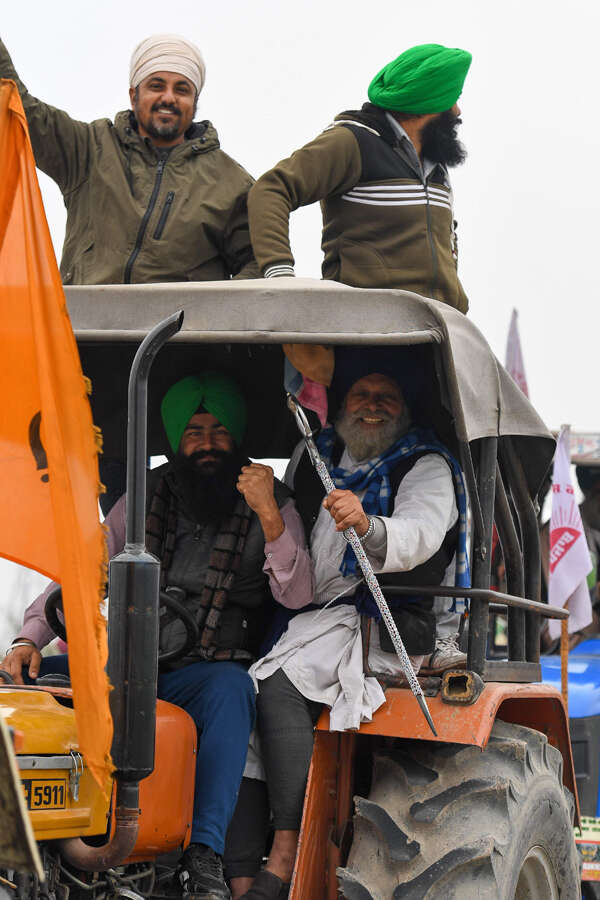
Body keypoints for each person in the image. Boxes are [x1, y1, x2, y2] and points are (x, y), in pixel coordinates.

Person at [0, 373, 313, 900]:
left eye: (217, 430)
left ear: (235, 437)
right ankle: (32, 842)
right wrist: (28, 639)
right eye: (194, 431)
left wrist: (266, 513)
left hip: (205, 669)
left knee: (232, 691)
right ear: (175, 438)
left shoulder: (272, 500)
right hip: (126, 663)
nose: (207, 442)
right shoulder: (142, 497)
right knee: (19, 686)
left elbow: (298, 593)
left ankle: (204, 854)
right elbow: (82, 569)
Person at [238, 361, 469, 899]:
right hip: (311, 616)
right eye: (361, 394)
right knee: (235, 695)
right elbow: (293, 559)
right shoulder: (312, 456)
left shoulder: (425, 463)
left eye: (385, 397)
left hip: (392, 626)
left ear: (404, 408)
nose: (371, 405)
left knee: (281, 682)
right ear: (341, 406)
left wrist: (369, 526)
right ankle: (235, 873)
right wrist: (268, 511)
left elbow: (422, 531)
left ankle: (287, 852)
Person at [0, 33, 258, 285]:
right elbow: (19, 108)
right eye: (156, 86)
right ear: (133, 95)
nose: (168, 97)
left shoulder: (232, 184)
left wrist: (209, 314)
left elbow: (259, 264)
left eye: (182, 89)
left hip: (176, 329)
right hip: (83, 326)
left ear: (195, 100)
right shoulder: (88, 149)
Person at [248, 43, 471, 312]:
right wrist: (280, 276)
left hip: (436, 329)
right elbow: (272, 189)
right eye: (452, 99)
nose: (457, 111)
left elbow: (445, 241)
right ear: (429, 102)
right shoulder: (353, 142)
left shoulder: (436, 164)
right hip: (366, 333)